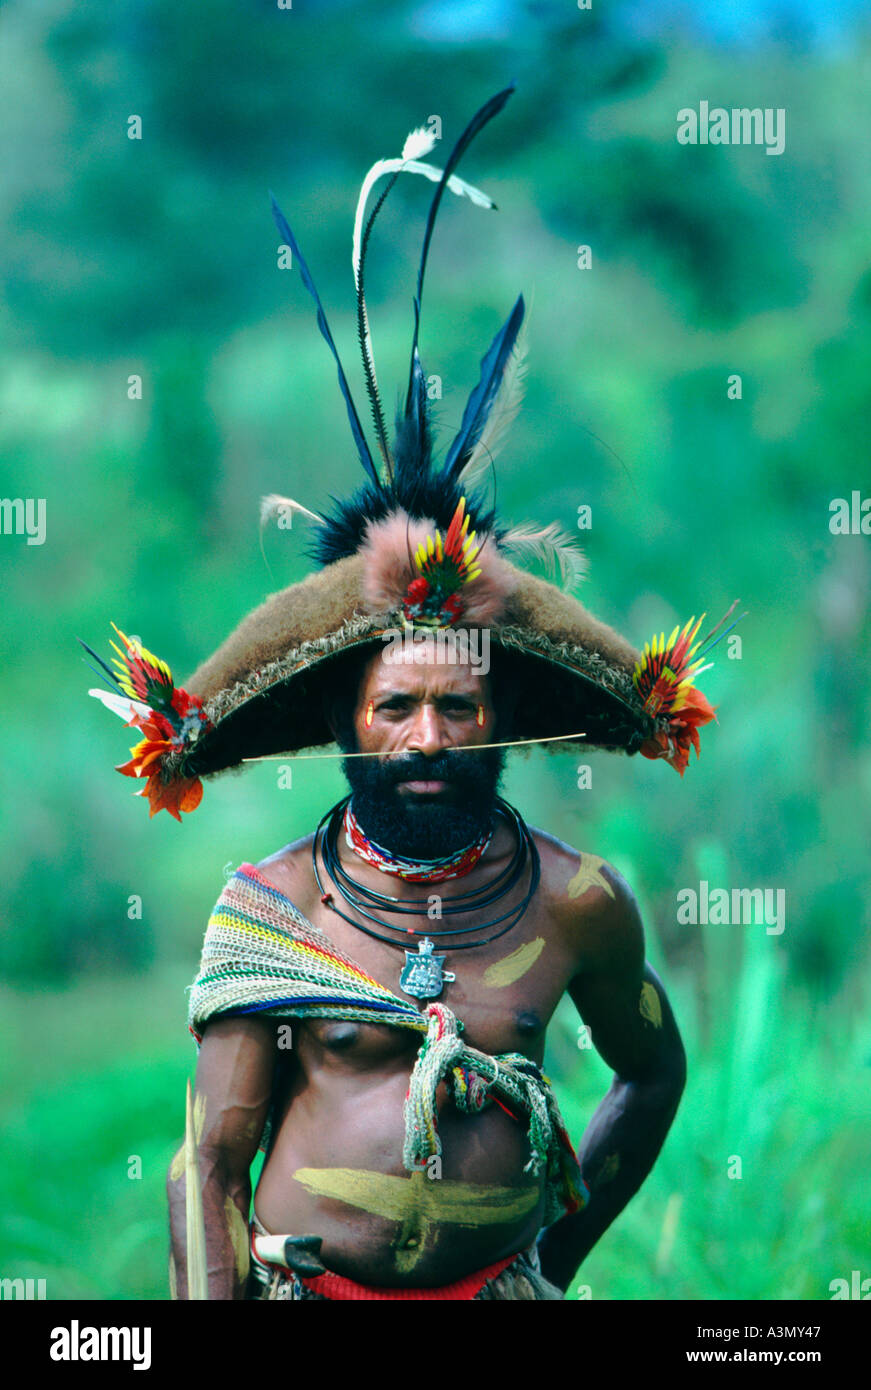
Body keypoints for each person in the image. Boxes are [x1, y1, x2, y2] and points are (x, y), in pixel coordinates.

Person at [83, 87, 736, 1300]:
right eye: (394, 709)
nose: (426, 737)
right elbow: (209, 1169)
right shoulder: (271, 909)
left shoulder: (576, 900)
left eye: (459, 708)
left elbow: (652, 1075)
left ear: (507, 721)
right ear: (343, 725)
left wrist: (548, 1257)